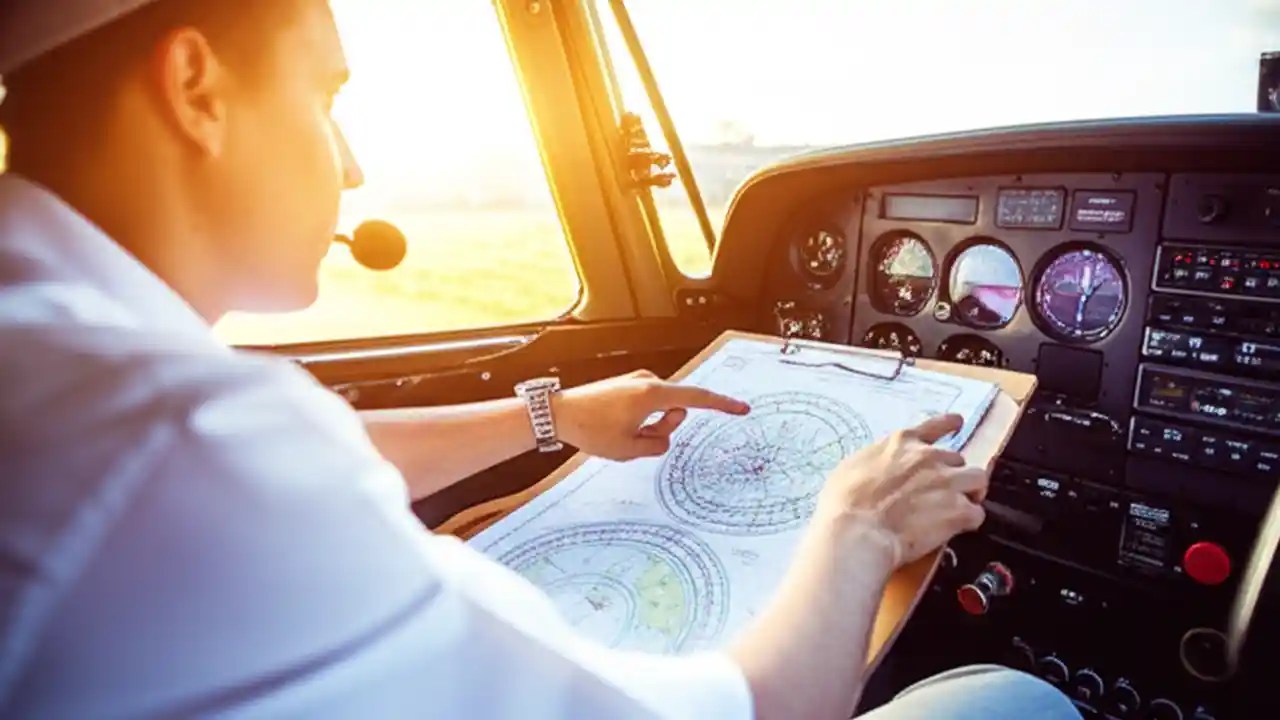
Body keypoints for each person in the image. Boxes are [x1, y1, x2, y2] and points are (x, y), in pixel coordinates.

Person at [0, 2, 1081, 718]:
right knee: (1013, 702)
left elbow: (309, 446)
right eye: (327, 99)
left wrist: (547, 416)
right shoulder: (175, 436)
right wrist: (856, 528)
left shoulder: (55, 357)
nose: (354, 164)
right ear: (196, 88)